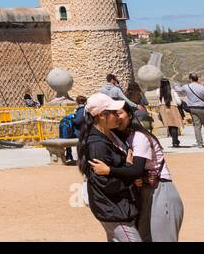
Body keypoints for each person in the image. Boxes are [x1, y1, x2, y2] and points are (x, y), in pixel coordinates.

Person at [90, 108, 184, 242]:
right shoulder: (120, 138)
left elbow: (136, 170)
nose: (117, 117)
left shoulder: (139, 136)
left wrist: (109, 170)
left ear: (129, 115)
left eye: (120, 113)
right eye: (113, 114)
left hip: (161, 191)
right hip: (145, 192)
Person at [76, 93, 142, 242]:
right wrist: (129, 174)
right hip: (113, 208)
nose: (117, 116)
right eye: (113, 113)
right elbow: (104, 182)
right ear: (101, 115)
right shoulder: (97, 144)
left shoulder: (110, 134)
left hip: (118, 205)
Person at [157, 79, 183, 148]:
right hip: (172, 108)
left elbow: (158, 101)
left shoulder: (158, 91)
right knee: (174, 125)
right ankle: (175, 142)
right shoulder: (172, 91)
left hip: (163, 109)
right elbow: (179, 102)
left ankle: (175, 141)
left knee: (169, 125)